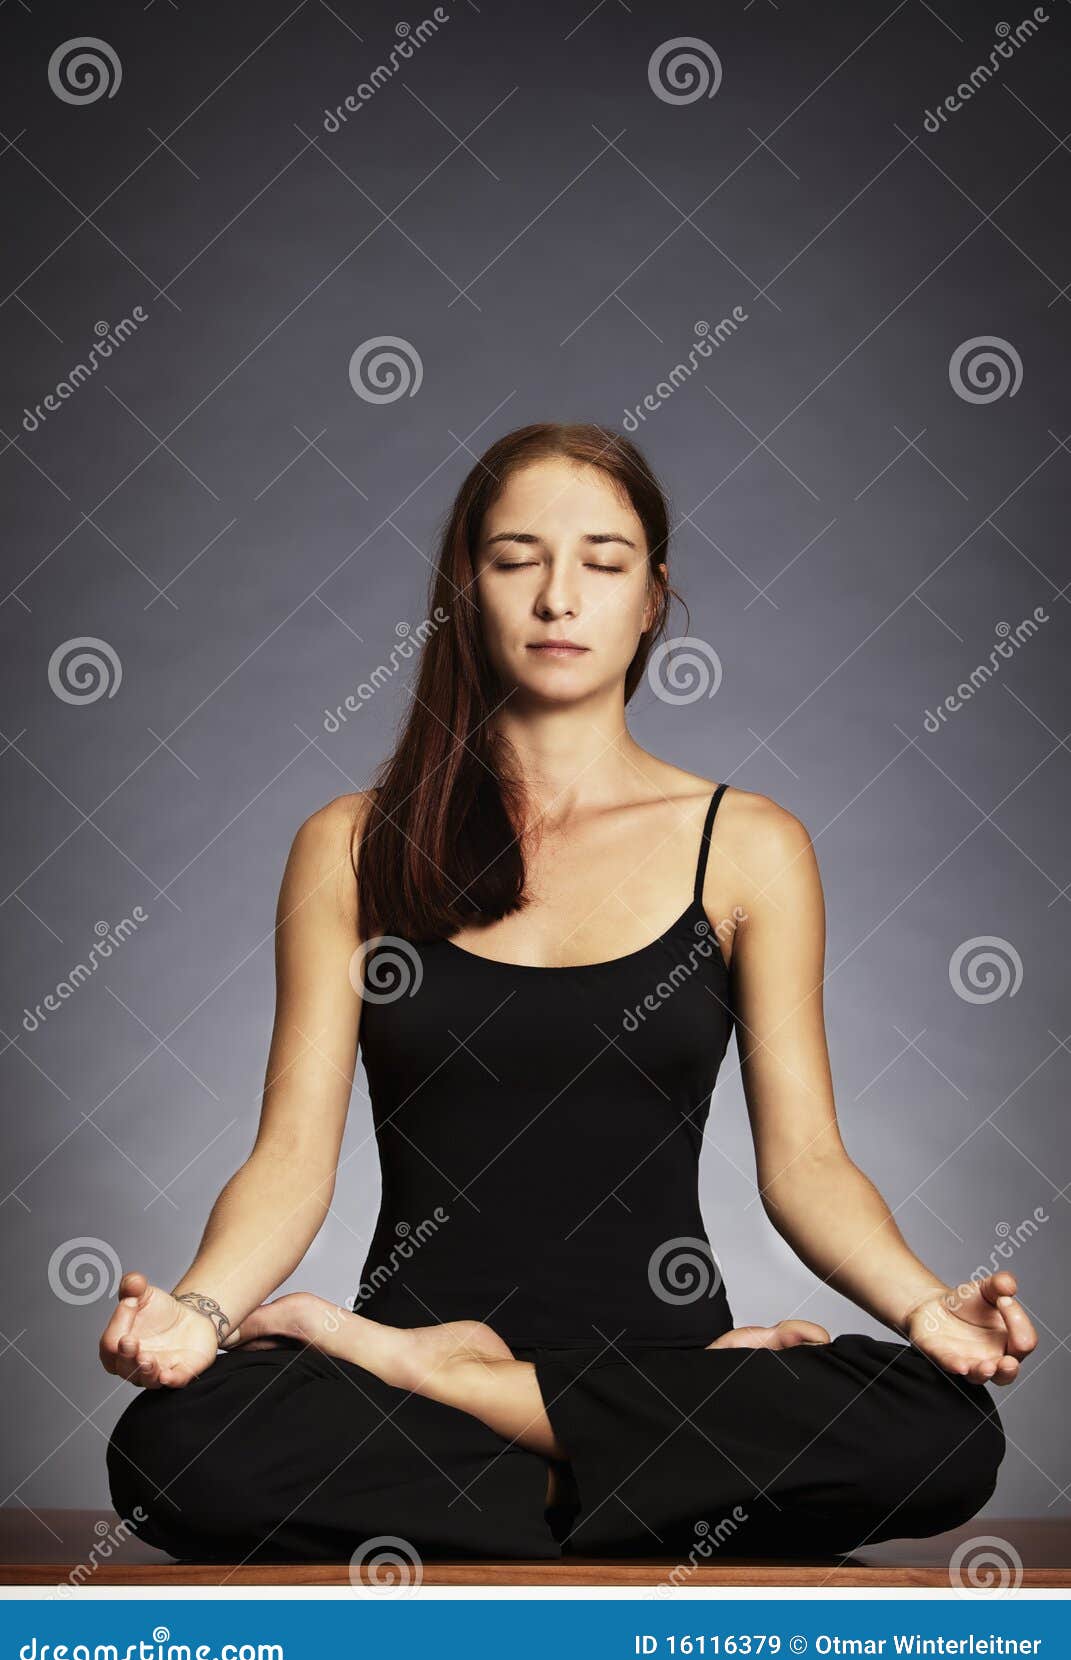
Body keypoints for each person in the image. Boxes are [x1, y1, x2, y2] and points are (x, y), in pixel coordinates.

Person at [103, 422, 1032, 1567]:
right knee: (176, 1452)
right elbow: (292, 1161)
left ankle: (485, 1398)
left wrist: (926, 1306)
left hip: (662, 1368)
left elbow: (806, 1165)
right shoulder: (351, 845)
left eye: (603, 561)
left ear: (652, 600)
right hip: (458, 1400)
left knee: (944, 1433)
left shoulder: (749, 847)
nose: (558, 596)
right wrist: (196, 1314)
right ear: (467, 591)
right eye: (516, 560)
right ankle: (600, 1464)